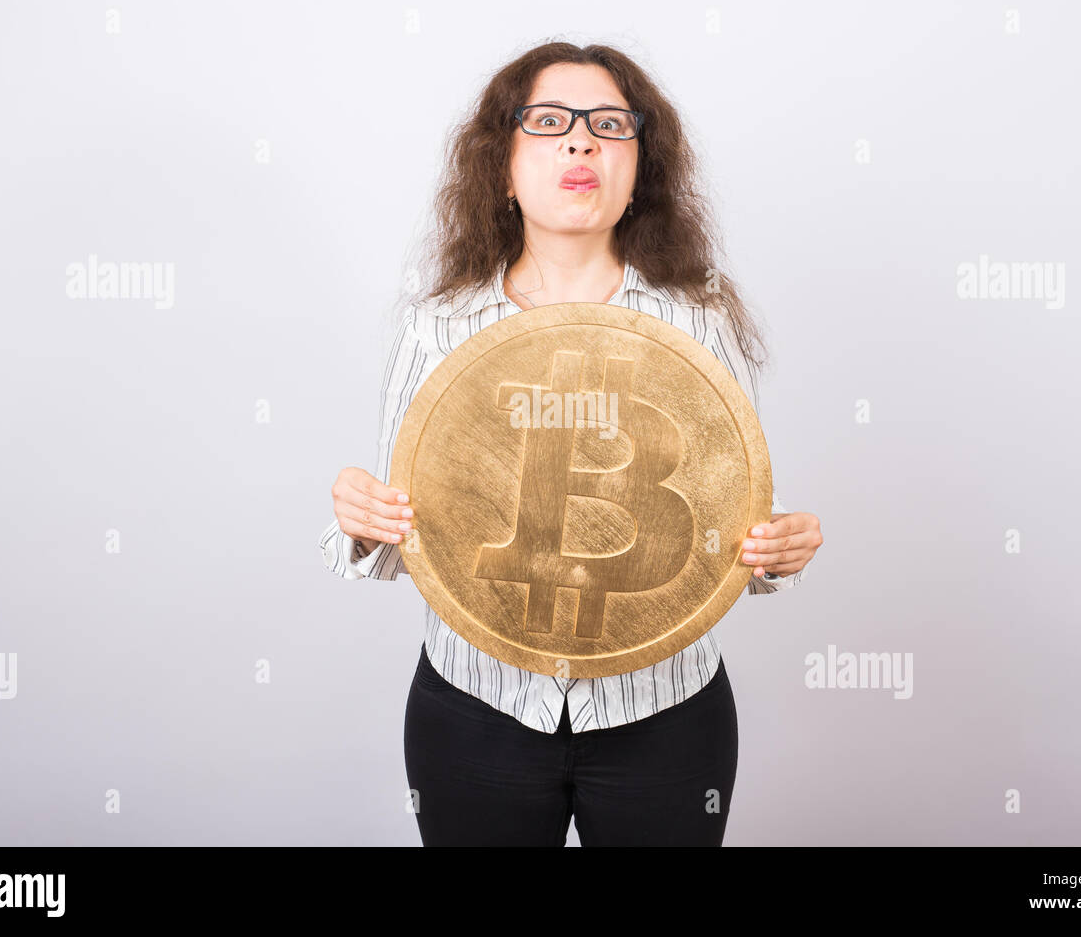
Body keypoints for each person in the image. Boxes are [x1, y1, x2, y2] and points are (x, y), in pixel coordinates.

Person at [319, 41, 823, 846]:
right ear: (503, 165)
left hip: (666, 713)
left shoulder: (703, 321)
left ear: (640, 167)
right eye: (549, 122)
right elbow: (404, 538)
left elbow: (728, 518)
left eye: (609, 125)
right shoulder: (436, 325)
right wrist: (360, 517)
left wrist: (778, 545)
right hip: (474, 710)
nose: (581, 142)